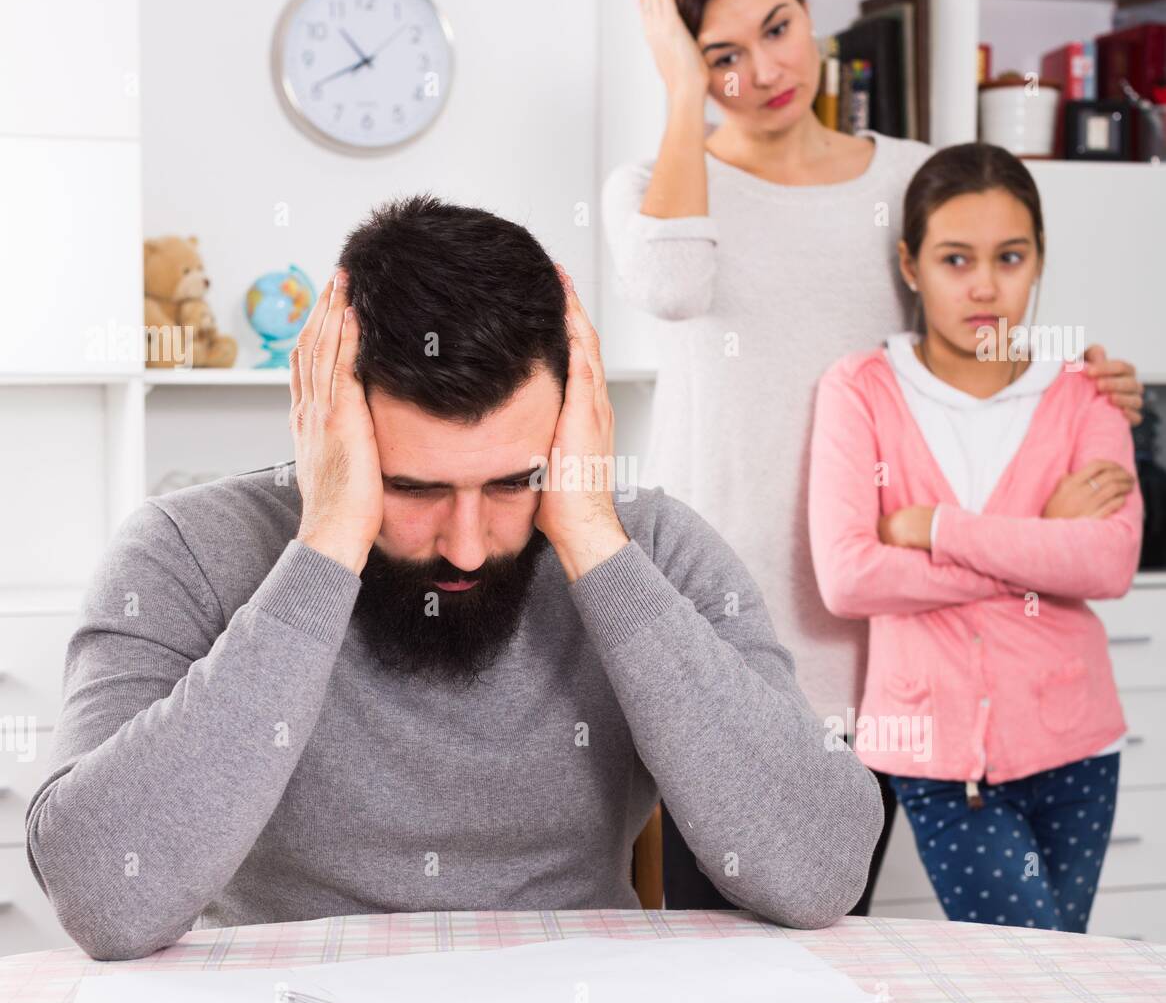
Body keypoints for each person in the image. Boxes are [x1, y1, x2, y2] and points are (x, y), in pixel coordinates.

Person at [25, 193, 883, 961]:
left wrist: (590, 538)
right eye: (412, 486)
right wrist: (328, 542)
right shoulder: (181, 551)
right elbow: (107, 900)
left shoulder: (644, 544)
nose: (468, 547)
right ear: (326, 424)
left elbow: (819, 872)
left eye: (514, 481)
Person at [600, 0, 1145, 913]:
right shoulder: (655, 186)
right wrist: (682, 95)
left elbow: (977, 332)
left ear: (809, 12)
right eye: (718, 56)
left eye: (775, 28)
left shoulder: (902, 180)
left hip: (888, 623)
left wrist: (1078, 368)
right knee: (704, 936)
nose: (762, 70)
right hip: (719, 626)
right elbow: (672, 286)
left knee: (834, 933)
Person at [807, 143, 1143, 930]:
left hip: (1080, 745)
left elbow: (1108, 561)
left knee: (1064, 972)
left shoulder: (1085, 391)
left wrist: (937, 529)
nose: (986, 286)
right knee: (1031, 962)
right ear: (911, 265)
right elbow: (850, 577)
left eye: (1010, 257)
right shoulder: (861, 390)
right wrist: (1038, 542)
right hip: (932, 752)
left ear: (1039, 262)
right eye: (956, 259)